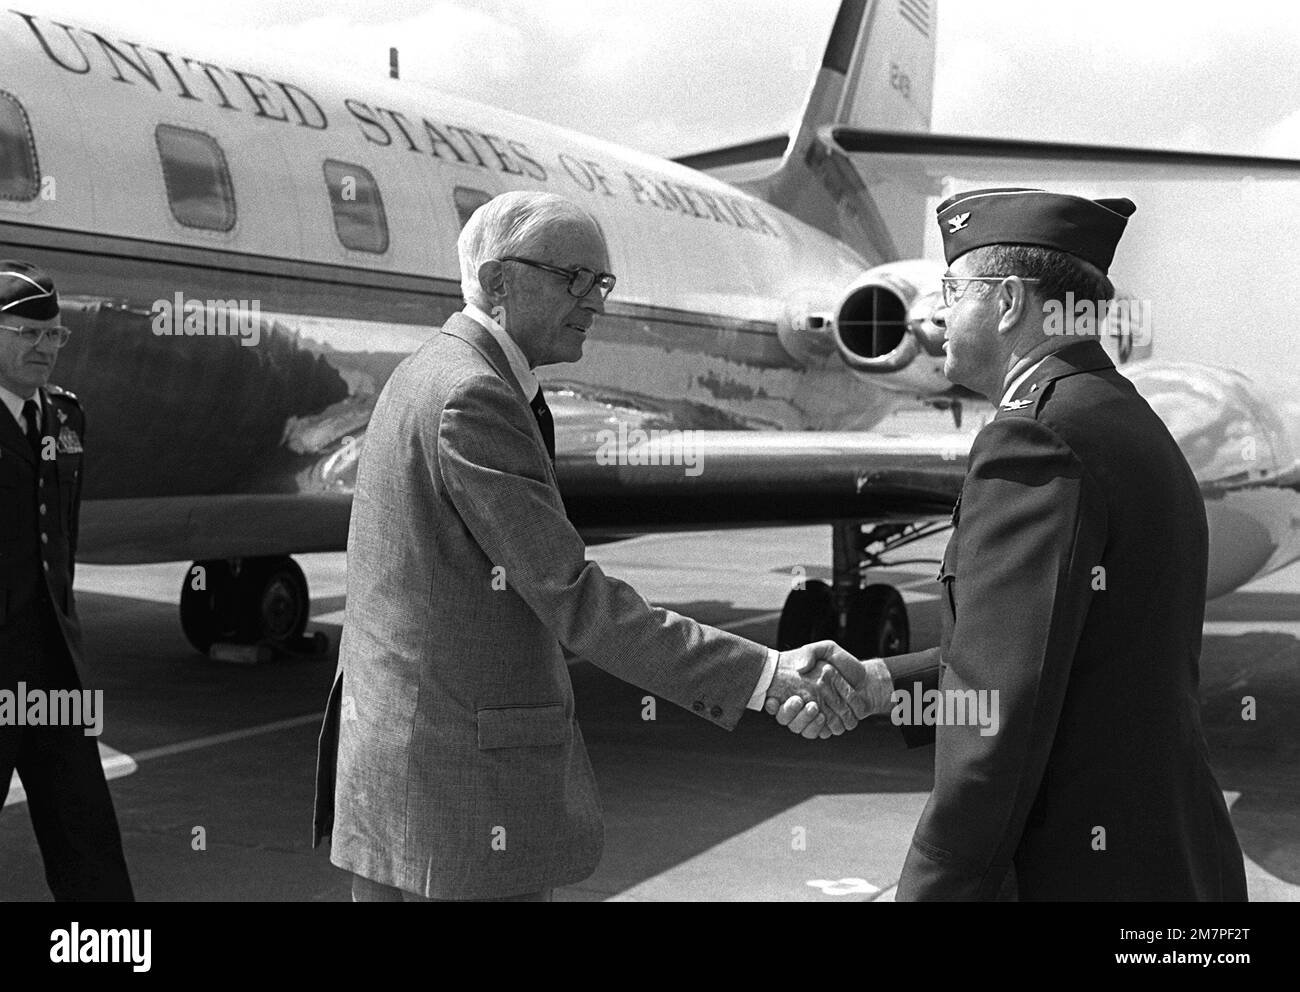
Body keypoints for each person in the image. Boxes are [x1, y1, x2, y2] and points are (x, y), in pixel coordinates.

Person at [313, 191, 864, 902]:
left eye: (599, 281)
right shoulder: (470, 397)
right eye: (571, 277)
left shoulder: (436, 370)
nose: (594, 300)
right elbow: (575, 598)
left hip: (407, 774)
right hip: (460, 795)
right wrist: (766, 674)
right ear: (496, 281)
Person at [775, 188, 1248, 901]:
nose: (936, 316)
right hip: (1164, 865)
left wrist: (931, 891)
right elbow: (1049, 661)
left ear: (1005, 304)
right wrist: (881, 686)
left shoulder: (1035, 437)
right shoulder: (1117, 416)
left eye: (950, 291)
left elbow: (1000, 716)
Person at [0, 260, 134, 900]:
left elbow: (61, 545)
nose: (44, 349)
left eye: (54, 336)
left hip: (54, 671)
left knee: (88, 841)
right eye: (27, 333)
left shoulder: (65, 418)